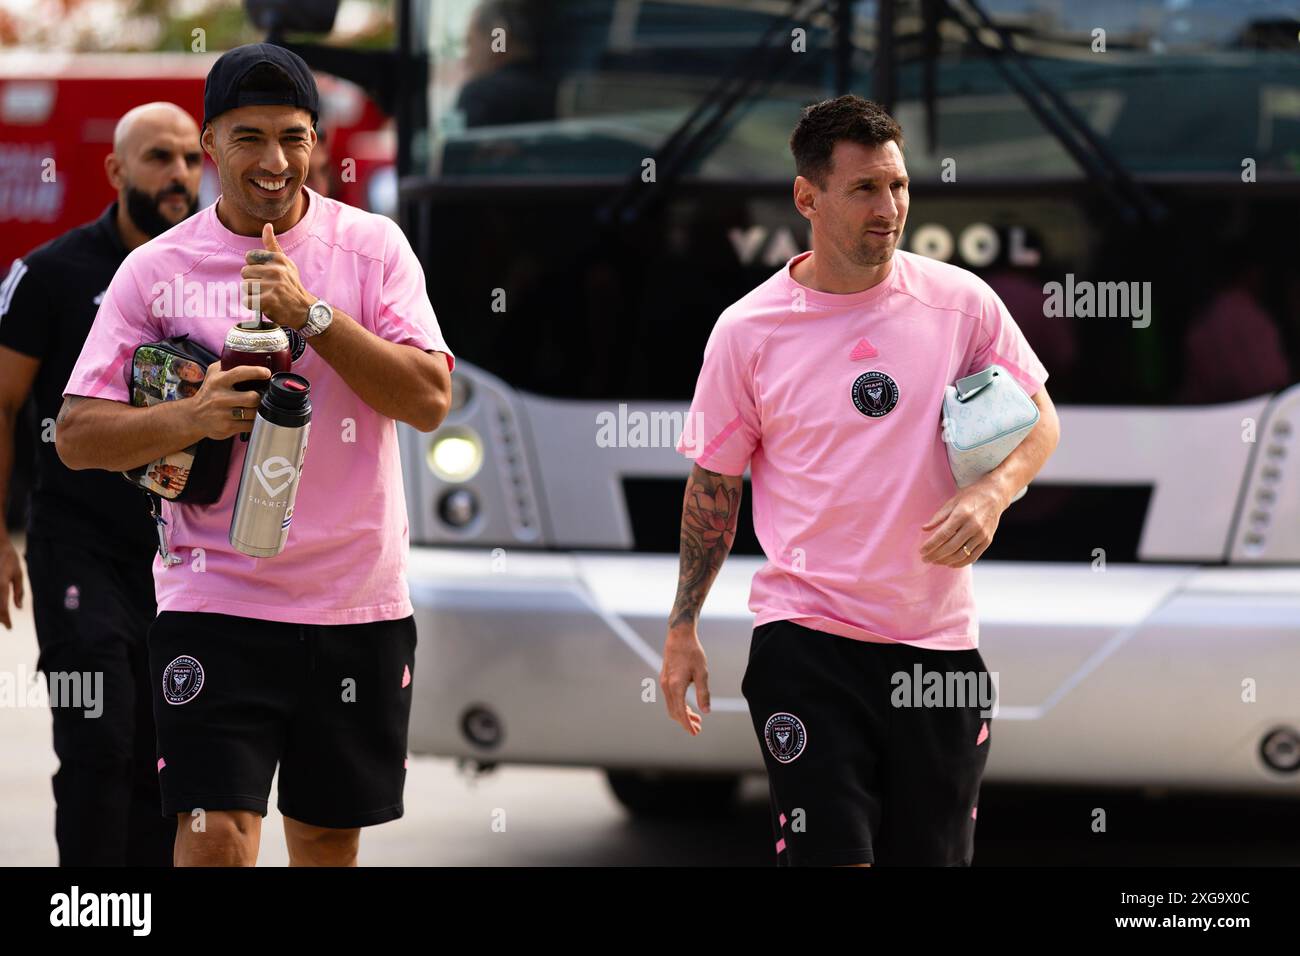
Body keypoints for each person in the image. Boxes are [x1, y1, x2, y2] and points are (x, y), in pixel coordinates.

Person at [54, 44, 454, 867]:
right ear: (210, 145)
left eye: (294, 136)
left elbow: (427, 400)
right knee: (215, 838)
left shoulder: (373, 250)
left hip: (353, 603)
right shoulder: (156, 270)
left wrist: (314, 317)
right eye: (249, 138)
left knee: (322, 842)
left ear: (316, 141)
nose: (275, 162)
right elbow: (75, 434)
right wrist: (192, 415)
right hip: (214, 598)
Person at [660, 95, 1060, 866]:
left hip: (937, 648)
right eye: (866, 189)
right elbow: (714, 486)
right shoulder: (748, 331)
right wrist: (683, 630)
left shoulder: (960, 303)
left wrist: (991, 491)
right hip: (806, 643)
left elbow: (1042, 419)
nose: (891, 207)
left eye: (900, 186)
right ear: (808, 197)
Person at [0, 101, 202, 866]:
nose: (179, 174)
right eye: (159, 157)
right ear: (117, 171)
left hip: (183, 554)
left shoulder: (215, 269)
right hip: (76, 549)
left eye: (190, 157)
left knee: (163, 758)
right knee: (96, 746)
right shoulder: (50, 275)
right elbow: (4, 401)